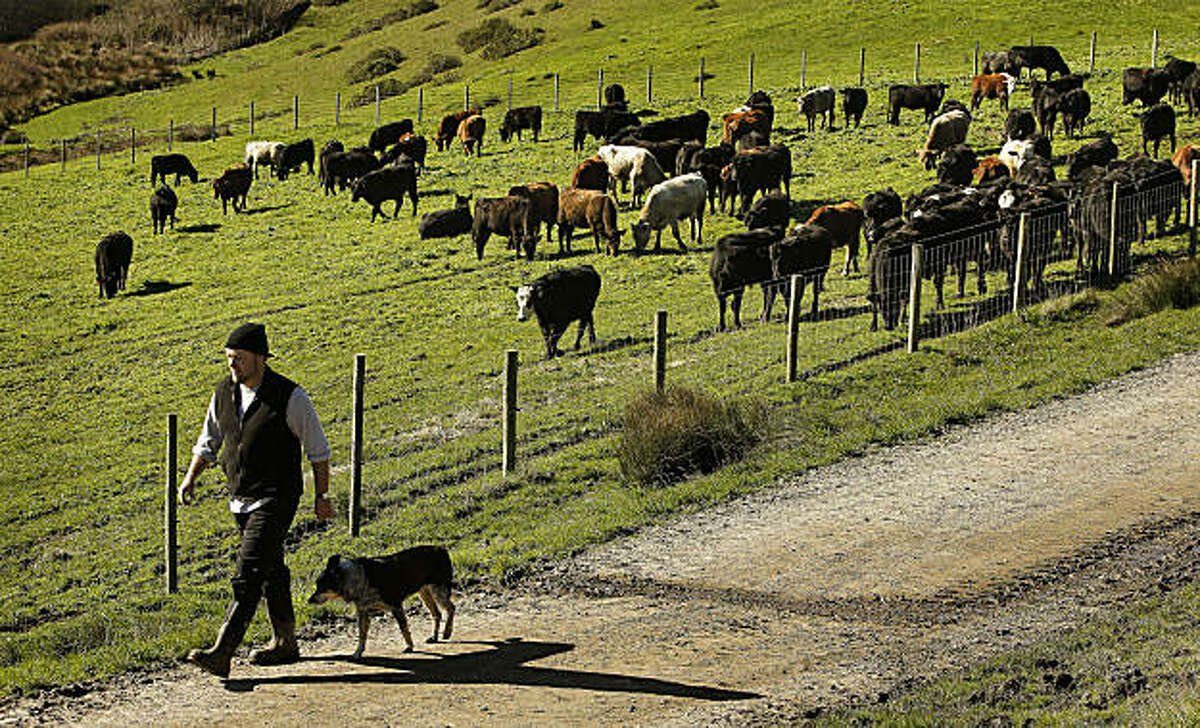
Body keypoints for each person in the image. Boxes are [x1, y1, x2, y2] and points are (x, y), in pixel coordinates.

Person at [178, 322, 334, 678]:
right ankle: (286, 642)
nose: (233, 366)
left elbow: (318, 450)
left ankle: (223, 650)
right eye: (229, 359)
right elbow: (209, 440)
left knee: (248, 571)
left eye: (240, 359)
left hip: (277, 496)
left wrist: (322, 495)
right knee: (270, 569)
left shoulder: (290, 396)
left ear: (261, 358)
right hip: (240, 498)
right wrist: (190, 478)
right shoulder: (223, 393)